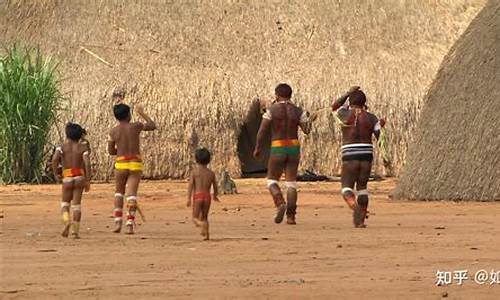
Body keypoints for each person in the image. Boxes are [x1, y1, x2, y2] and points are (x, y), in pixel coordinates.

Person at [253, 83, 313, 225]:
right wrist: (310, 120)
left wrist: (258, 148)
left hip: (278, 146)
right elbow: (307, 130)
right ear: (290, 95)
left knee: (272, 180)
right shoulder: (298, 111)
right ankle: (291, 217)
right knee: (291, 183)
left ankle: (280, 203)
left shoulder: (271, 111)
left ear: (277, 95)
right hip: (293, 148)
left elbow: (262, 131)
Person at [331, 86, 385, 228]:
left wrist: (347, 92)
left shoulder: (344, 114)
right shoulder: (372, 118)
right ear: (364, 102)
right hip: (367, 155)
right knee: (362, 188)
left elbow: (334, 106)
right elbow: (381, 139)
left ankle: (355, 207)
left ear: (350, 102)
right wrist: (385, 156)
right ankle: (360, 222)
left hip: (350, 155)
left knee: (346, 187)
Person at [107, 93, 156, 234]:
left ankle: (117, 223)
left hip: (121, 164)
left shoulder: (113, 131)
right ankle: (129, 223)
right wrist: (142, 113)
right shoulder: (136, 126)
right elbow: (152, 125)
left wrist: (121, 151)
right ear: (129, 115)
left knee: (119, 193)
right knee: (132, 195)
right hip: (135, 163)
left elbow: (110, 151)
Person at [52, 122, 91, 238]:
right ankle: (75, 231)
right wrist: (88, 180)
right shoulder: (83, 147)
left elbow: (55, 159)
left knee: (65, 204)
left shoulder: (61, 147)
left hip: (67, 177)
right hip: (79, 177)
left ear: (66, 134)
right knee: (77, 205)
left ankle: (66, 220)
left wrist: (55, 174)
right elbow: (87, 164)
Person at [187, 148, 220, 240]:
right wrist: (215, 195)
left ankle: (201, 225)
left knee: (195, 218)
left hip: (198, 196)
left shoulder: (194, 172)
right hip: (207, 196)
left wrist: (188, 198)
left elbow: (191, 185)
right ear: (209, 160)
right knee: (205, 217)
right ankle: (207, 235)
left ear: (196, 159)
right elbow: (215, 186)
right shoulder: (211, 173)